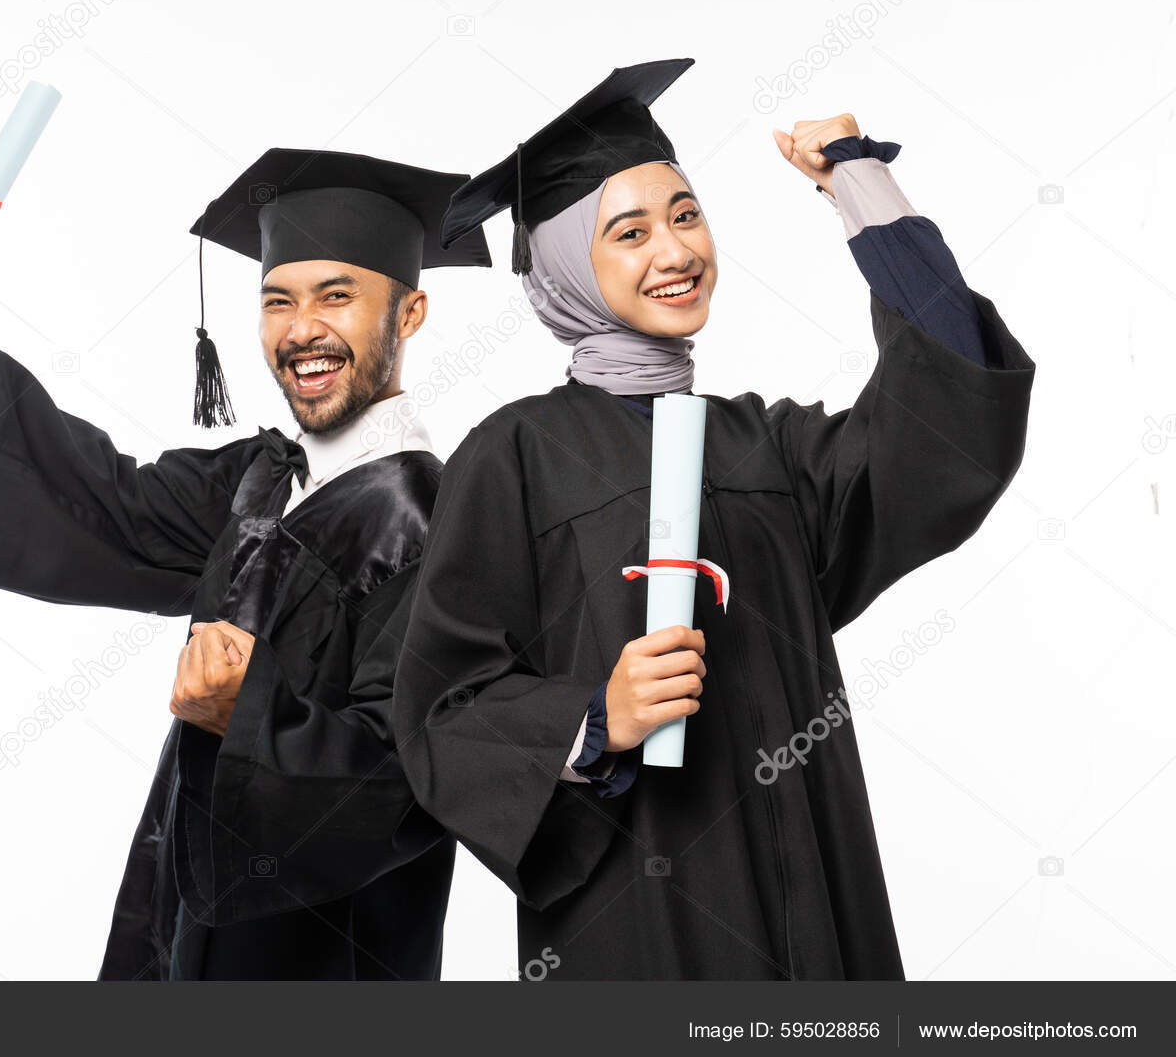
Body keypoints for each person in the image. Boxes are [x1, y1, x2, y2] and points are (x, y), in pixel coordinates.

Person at [392, 58, 1036, 979]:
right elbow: (439, 710)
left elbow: (949, 432)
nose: (675, 251)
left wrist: (860, 182)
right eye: (629, 231)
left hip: (818, 896)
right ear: (568, 266)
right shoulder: (515, 455)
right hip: (642, 923)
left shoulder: (760, 446)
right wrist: (591, 718)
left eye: (686, 215)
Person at [0, 148, 492, 980]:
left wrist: (251, 713)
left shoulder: (433, 525)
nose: (302, 329)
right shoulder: (262, 476)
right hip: (184, 912)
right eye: (278, 301)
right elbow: (115, 508)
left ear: (410, 313)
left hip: (320, 957)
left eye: (337, 297)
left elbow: (415, 778)